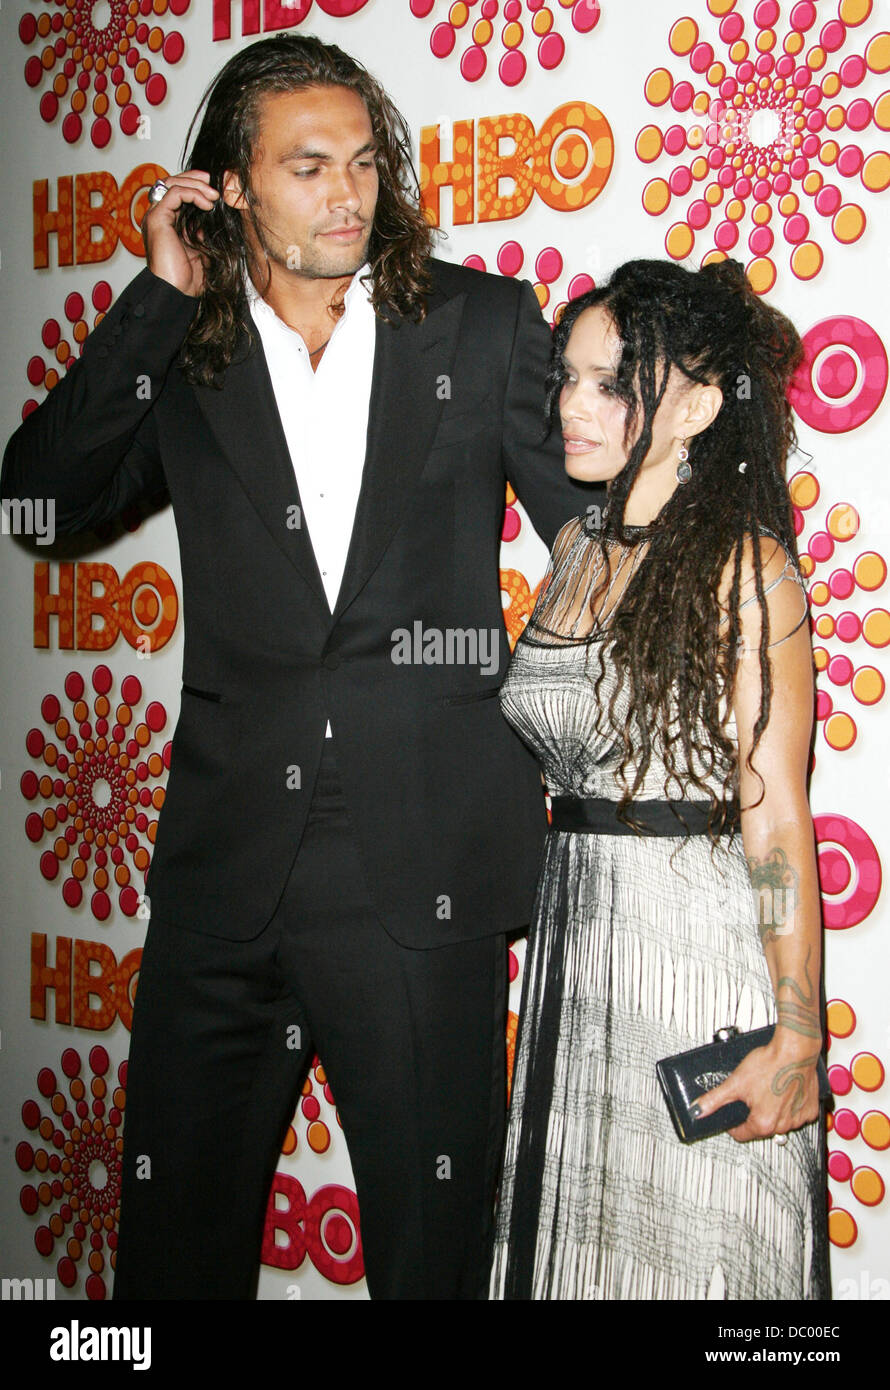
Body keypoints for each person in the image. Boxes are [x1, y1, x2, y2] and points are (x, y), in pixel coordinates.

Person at [2, 34, 592, 1299]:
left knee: (431, 1264)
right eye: (308, 166)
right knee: (170, 1256)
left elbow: (591, 548)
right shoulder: (190, 356)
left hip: (418, 870)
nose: (348, 194)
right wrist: (156, 299)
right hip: (222, 882)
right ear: (230, 186)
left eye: (364, 161)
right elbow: (38, 505)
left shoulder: (479, 324)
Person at [489, 258, 830, 1301]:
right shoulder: (573, 550)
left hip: (694, 957)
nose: (571, 408)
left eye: (609, 384)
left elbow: (772, 822)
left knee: (700, 1258)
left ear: (692, 404)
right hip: (577, 957)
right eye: (566, 379)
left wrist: (798, 1026)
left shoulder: (744, 566)